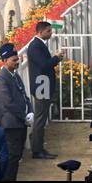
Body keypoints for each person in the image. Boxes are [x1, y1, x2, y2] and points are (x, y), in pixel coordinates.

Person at [24, 21, 63, 160]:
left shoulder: (39, 44)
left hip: (43, 84)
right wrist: (56, 58)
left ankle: (39, 147)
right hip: (41, 86)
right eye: (48, 31)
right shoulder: (35, 46)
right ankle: (37, 150)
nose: (51, 33)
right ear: (40, 32)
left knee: (42, 117)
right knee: (40, 119)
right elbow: (44, 65)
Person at [0, 43, 30, 181]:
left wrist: (30, 110)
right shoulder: (2, 78)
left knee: (17, 157)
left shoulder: (14, 74)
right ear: (4, 61)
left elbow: (23, 94)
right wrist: (24, 116)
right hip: (11, 125)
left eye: (17, 59)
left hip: (20, 122)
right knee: (12, 158)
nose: (17, 62)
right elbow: (8, 103)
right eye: (14, 60)